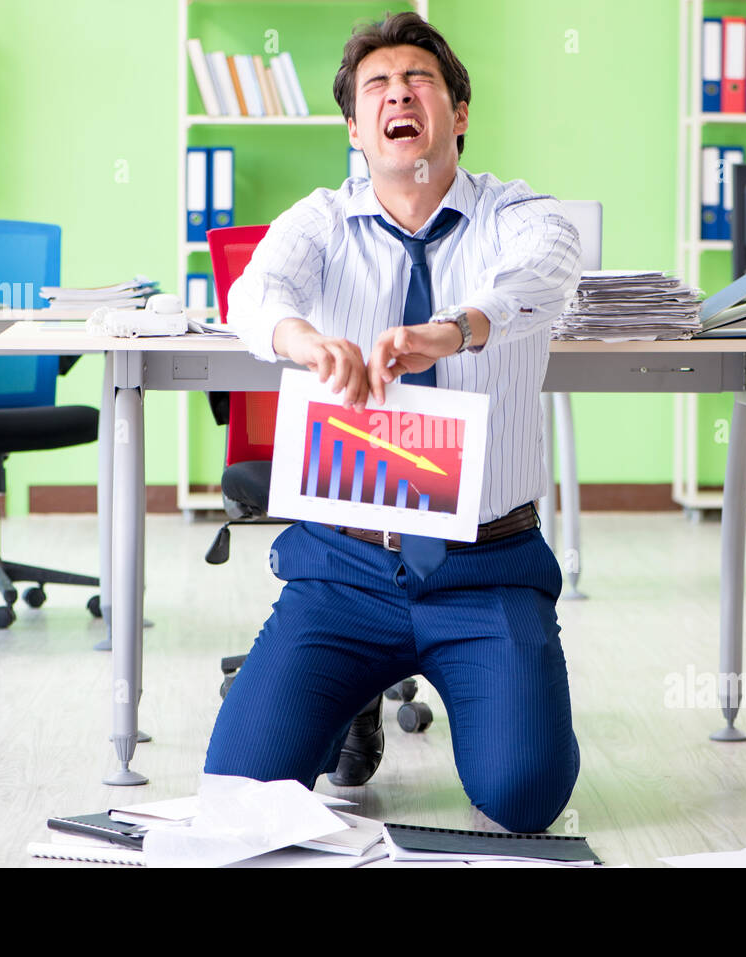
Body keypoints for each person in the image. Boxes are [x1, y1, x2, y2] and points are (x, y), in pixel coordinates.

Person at [204, 11, 583, 834]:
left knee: (524, 796)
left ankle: (451, 682)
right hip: (343, 564)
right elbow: (256, 294)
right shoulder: (320, 220)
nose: (398, 95)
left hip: (488, 566)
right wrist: (303, 341)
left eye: (419, 80)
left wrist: (451, 329)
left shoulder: (519, 215)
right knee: (239, 792)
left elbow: (545, 271)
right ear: (355, 127)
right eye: (377, 85)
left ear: (459, 112)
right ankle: (354, 692)